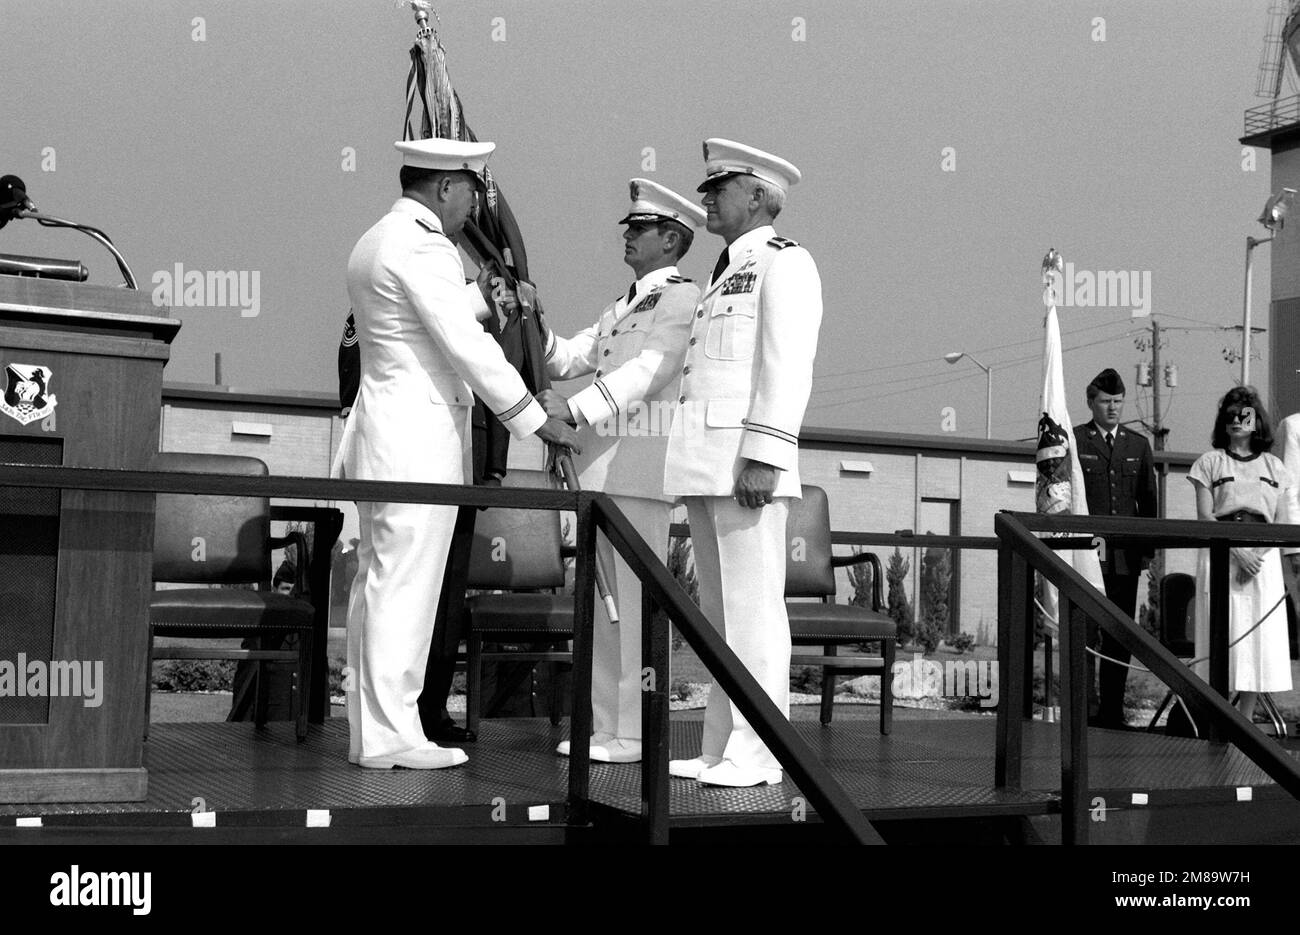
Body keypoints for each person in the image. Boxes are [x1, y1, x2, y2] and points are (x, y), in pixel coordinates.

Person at [334, 137, 579, 769]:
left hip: (382, 439)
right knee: (405, 589)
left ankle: (373, 732)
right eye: (471, 190)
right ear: (445, 186)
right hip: (414, 443)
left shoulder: (377, 238)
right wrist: (533, 418)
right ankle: (395, 737)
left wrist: (484, 297)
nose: (474, 207)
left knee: (379, 585)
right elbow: (463, 346)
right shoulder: (423, 244)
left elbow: (415, 321)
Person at [663, 139, 822, 787]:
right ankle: (722, 745)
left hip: (746, 466)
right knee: (724, 619)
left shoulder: (787, 263)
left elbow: (787, 367)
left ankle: (761, 754)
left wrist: (765, 454)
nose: (705, 197)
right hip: (707, 466)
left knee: (755, 615)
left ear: (758, 196)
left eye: (718, 186)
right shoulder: (724, 273)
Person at [535, 178, 704, 764]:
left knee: (632, 609)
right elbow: (569, 355)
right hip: (601, 475)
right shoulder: (620, 307)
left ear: (672, 239)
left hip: (639, 474)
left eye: (640, 228)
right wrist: (530, 317)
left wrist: (574, 409)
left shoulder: (682, 300)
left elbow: (647, 376)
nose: (628, 236)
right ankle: (605, 727)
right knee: (602, 612)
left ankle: (633, 732)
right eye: (629, 227)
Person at [339, 307, 515, 745]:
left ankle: (431, 708)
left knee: (448, 594)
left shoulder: (477, 298)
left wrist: (493, 465)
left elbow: (495, 370)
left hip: (464, 450)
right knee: (397, 584)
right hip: (404, 446)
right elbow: (355, 356)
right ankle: (391, 718)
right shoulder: (399, 282)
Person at [1188, 387, 1298, 724]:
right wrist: (1237, 551)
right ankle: (1217, 713)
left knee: (1257, 641)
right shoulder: (1209, 462)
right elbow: (1205, 515)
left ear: (1256, 421)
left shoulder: (1275, 467)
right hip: (1222, 552)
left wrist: (1257, 554)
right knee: (1221, 632)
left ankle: (1245, 719)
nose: (1238, 421)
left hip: (1261, 559)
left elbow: (1281, 520)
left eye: (1245, 415)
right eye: (1231, 415)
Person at [1073, 368, 1157, 728]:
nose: (1112, 408)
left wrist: (1148, 555)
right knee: (1084, 635)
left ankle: (1112, 711)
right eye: (1106, 402)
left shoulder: (1137, 445)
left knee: (1118, 637)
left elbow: (1148, 503)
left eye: (1118, 402)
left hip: (1124, 559)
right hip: (1087, 556)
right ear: (1091, 402)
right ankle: (1085, 710)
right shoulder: (1076, 441)